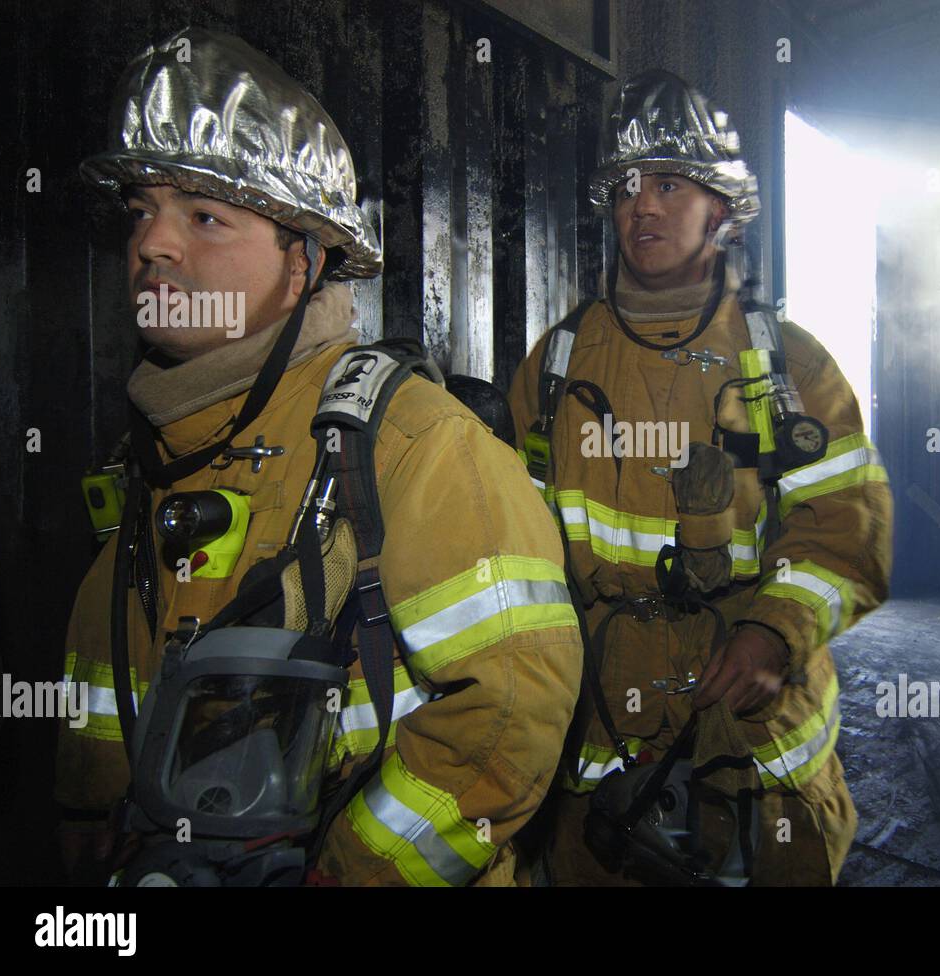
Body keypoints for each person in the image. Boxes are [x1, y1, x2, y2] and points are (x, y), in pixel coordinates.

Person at [56, 26, 581, 886]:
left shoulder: (411, 444)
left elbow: (513, 711)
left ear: (302, 262)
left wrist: (347, 873)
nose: (153, 244)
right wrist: (89, 826)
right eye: (141, 210)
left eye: (204, 215)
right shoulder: (152, 461)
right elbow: (102, 701)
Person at [508, 69, 893, 885]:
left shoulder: (784, 364)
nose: (641, 205)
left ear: (718, 209)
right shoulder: (554, 365)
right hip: (601, 692)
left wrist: (776, 631)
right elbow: (512, 533)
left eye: (670, 185)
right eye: (625, 189)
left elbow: (846, 528)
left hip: (747, 693)